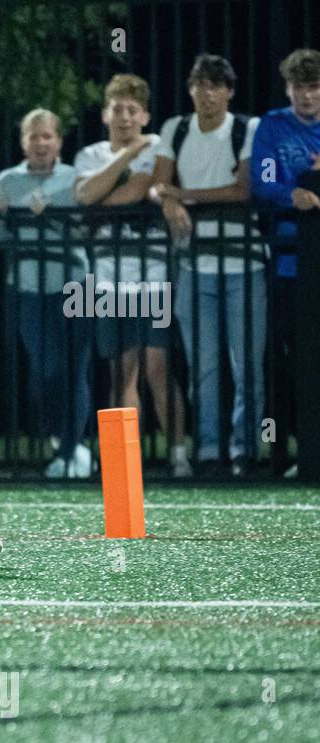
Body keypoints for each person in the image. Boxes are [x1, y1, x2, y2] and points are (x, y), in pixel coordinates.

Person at [150, 54, 265, 477]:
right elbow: (157, 185)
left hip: (245, 262)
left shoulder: (246, 128)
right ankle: (212, 450)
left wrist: (181, 195)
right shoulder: (175, 128)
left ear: (229, 91)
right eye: (199, 84)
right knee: (204, 366)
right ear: (190, 89)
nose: (206, 93)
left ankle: (245, 449)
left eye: (215, 85)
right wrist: (166, 198)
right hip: (194, 265)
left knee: (246, 363)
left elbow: (244, 190)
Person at [73, 74, 189, 477]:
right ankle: (123, 465)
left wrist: (105, 196)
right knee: (121, 371)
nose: (124, 118)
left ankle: (179, 456)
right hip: (105, 278)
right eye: (117, 109)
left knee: (157, 367)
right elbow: (83, 195)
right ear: (105, 113)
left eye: (132, 110)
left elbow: (144, 187)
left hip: (152, 274)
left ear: (146, 115)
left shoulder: (160, 145)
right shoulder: (91, 153)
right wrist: (127, 156)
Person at [0, 108, 93, 478]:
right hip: (27, 284)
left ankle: (70, 451)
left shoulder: (76, 179)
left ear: (59, 141)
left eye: (46, 136)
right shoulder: (6, 180)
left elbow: (90, 228)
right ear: (23, 142)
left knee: (75, 368)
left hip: (75, 282)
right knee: (45, 369)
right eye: (33, 136)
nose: (40, 143)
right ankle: (59, 438)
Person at [250, 48, 320, 479]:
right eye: (299, 87)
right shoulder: (273, 126)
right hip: (291, 264)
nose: (307, 96)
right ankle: (295, 452)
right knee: (291, 360)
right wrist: (290, 193)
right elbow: (266, 178)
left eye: (314, 87)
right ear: (287, 88)